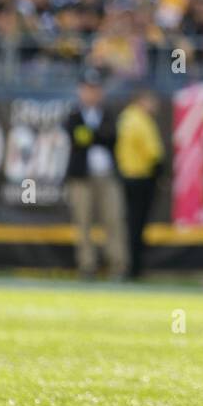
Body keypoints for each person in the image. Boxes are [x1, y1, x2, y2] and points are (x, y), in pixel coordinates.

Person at [65, 70, 126, 279]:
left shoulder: (109, 113)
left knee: (113, 220)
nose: (91, 93)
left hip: (106, 176)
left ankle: (117, 266)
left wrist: (92, 136)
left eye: (95, 89)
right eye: (88, 89)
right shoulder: (73, 115)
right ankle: (86, 266)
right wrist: (95, 136)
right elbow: (77, 139)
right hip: (81, 177)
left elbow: (110, 137)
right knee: (83, 222)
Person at [116, 88, 165, 281]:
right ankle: (133, 267)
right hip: (139, 177)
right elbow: (153, 152)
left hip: (130, 176)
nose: (154, 105)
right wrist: (160, 171)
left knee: (132, 224)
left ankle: (131, 266)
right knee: (136, 225)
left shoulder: (126, 118)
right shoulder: (138, 120)